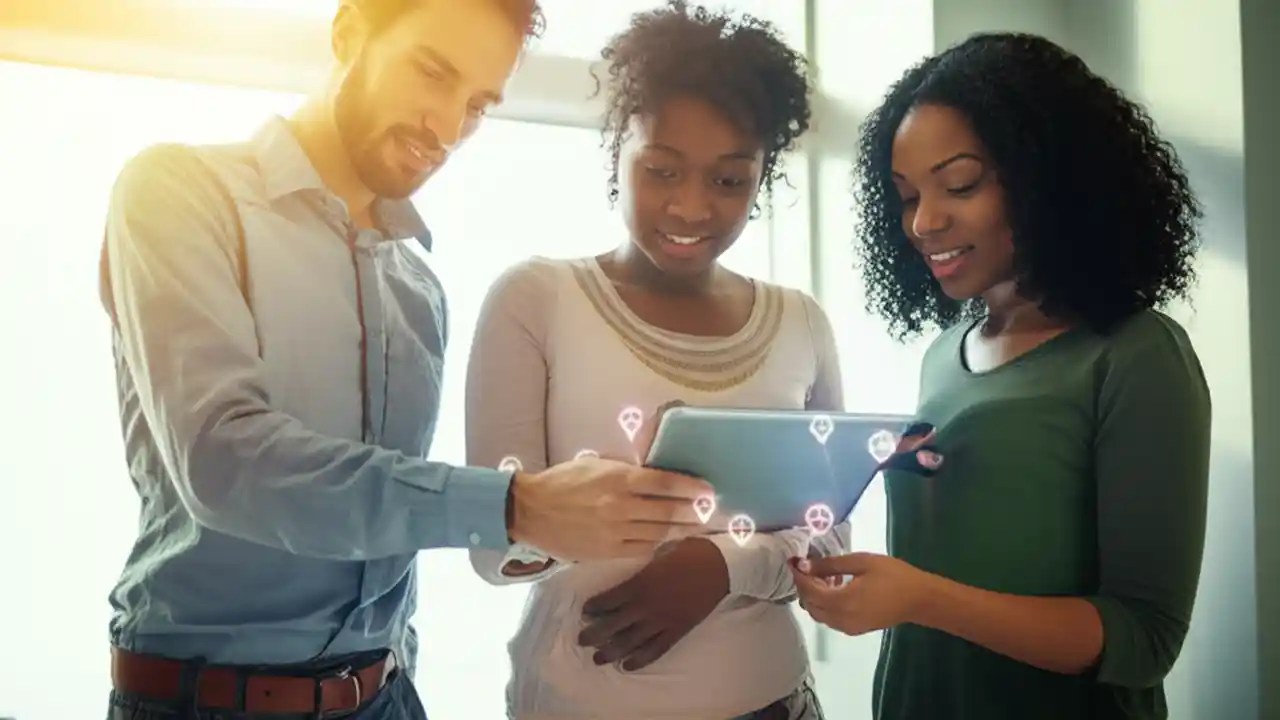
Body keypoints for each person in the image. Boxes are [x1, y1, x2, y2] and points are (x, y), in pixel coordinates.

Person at [98, 1, 714, 717]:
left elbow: (386, 528)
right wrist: (517, 505)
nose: (447, 129)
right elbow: (224, 459)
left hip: (386, 696)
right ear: (348, 32)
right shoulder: (177, 194)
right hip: (201, 702)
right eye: (431, 72)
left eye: (478, 105)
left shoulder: (418, 288)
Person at [789, 32, 1212, 719]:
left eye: (960, 184)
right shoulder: (942, 356)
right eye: (905, 197)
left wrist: (920, 597)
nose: (924, 222)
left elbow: (1144, 635)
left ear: (1048, 176)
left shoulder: (1135, 356)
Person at [464, 3, 841, 718]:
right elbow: (490, 551)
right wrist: (577, 514)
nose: (692, 208)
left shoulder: (800, 323)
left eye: (729, 181)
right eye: (662, 170)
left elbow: (830, 531)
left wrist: (720, 566)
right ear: (617, 153)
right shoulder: (535, 299)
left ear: (762, 177)